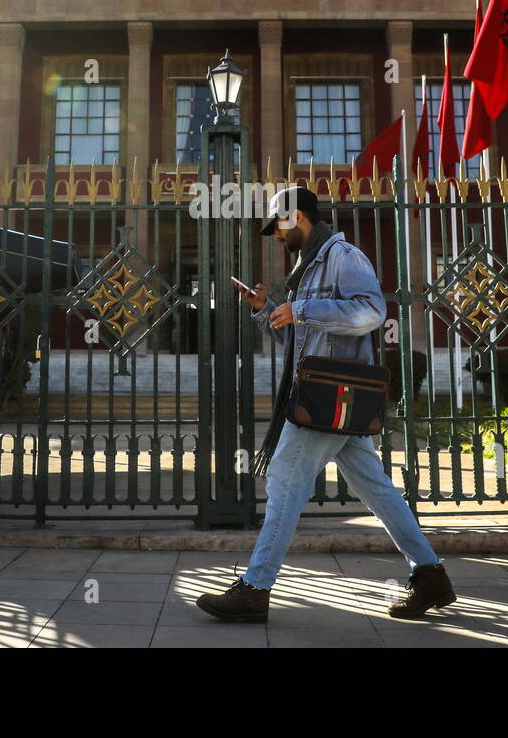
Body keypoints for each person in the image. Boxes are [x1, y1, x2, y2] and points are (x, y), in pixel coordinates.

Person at [195, 186, 456, 623]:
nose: (276, 237)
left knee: (283, 482)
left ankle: (255, 589)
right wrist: (268, 310)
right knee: (376, 489)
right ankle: (431, 576)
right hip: (332, 401)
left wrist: (302, 310)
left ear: (296, 217)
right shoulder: (308, 265)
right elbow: (304, 341)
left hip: (327, 400)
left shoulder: (343, 256)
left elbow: (370, 312)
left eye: (277, 227)